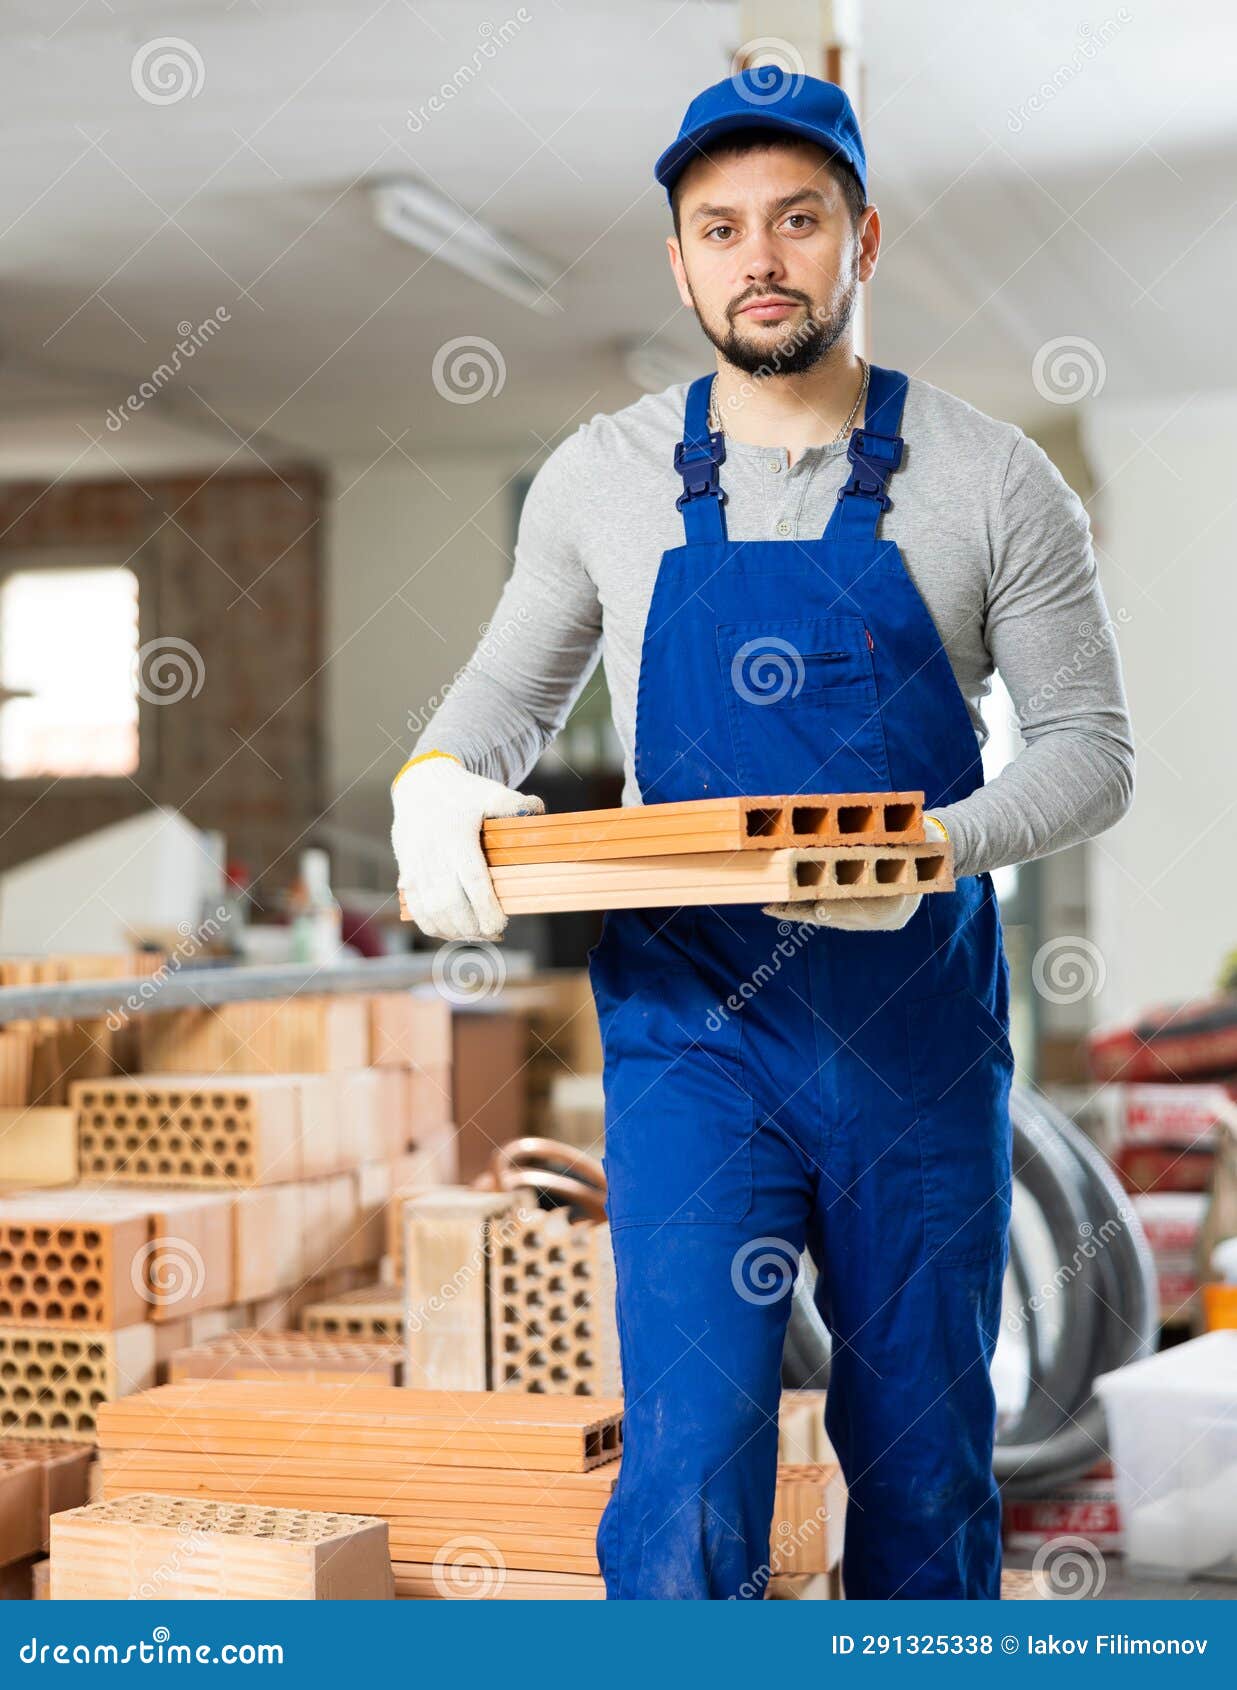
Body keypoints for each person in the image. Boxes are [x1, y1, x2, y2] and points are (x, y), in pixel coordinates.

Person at [390, 67, 1134, 1599]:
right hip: (693, 1037)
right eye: (720, 228)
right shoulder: (600, 480)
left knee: (923, 1457)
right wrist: (437, 782)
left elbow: (1089, 753)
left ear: (862, 238)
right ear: (679, 263)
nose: (760, 258)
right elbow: (499, 707)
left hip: (909, 1043)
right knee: (692, 1459)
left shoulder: (996, 479)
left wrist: (928, 849)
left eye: (797, 219)